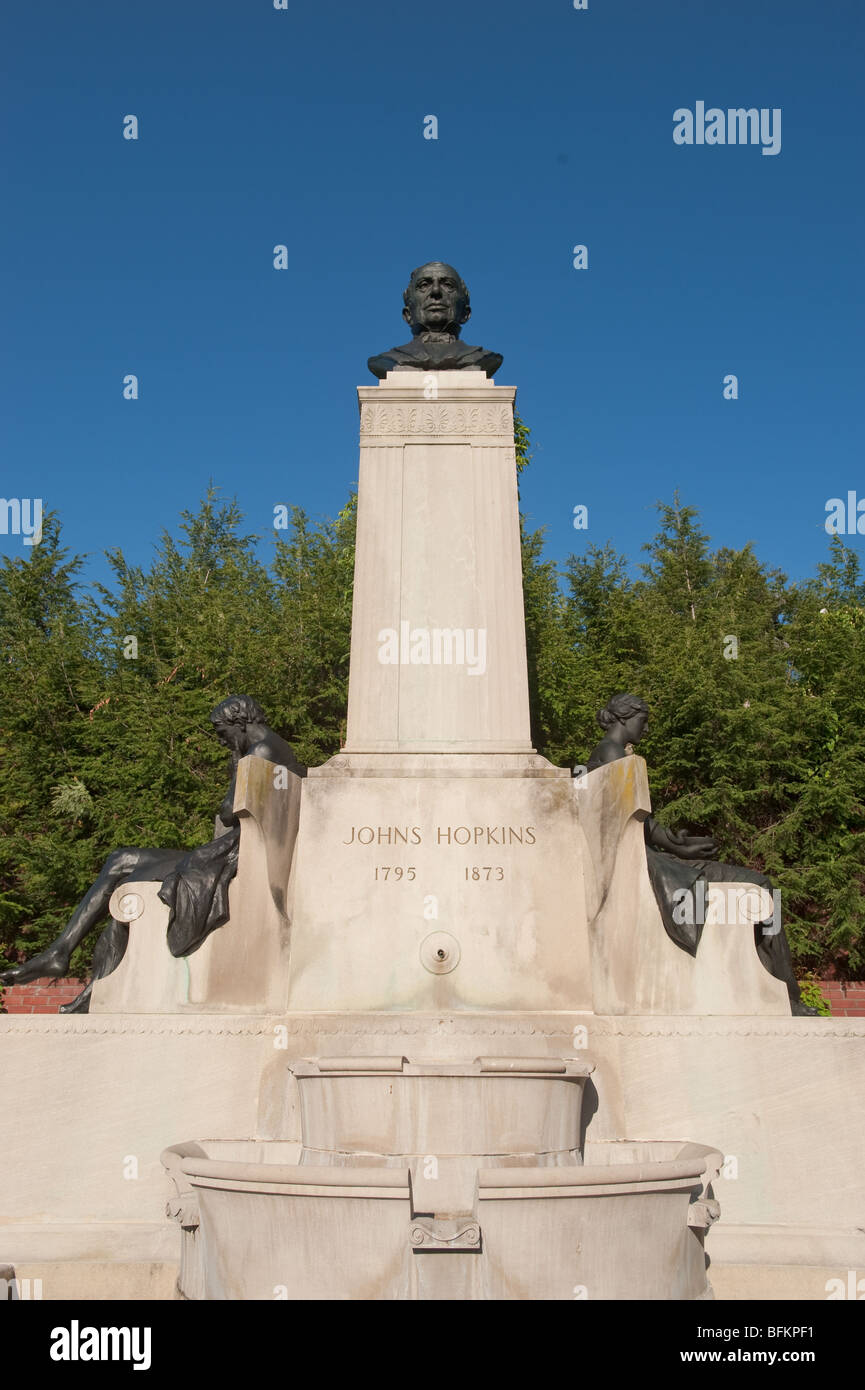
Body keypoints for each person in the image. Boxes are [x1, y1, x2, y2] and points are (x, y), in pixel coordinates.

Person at [0, 695, 306, 1013]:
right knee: (120, 859)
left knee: (128, 878)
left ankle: (75, 971)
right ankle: (63, 955)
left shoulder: (262, 751)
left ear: (239, 723)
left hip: (229, 858)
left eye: (221, 731)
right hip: (226, 852)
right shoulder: (265, 749)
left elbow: (229, 812)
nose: (220, 739)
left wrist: (236, 764)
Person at [585, 693, 818, 1015]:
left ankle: (782, 993)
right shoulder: (612, 754)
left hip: (652, 859)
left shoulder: (607, 754)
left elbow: (637, 821)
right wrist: (677, 846)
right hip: (650, 865)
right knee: (763, 886)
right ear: (625, 718)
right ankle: (787, 997)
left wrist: (678, 844)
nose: (646, 729)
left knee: (762, 887)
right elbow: (631, 818)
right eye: (643, 720)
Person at [367, 262, 503, 378]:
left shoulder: (482, 358)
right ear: (407, 314)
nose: (436, 291)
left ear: (465, 313)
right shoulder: (390, 360)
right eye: (424, 285)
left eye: (448, 285)